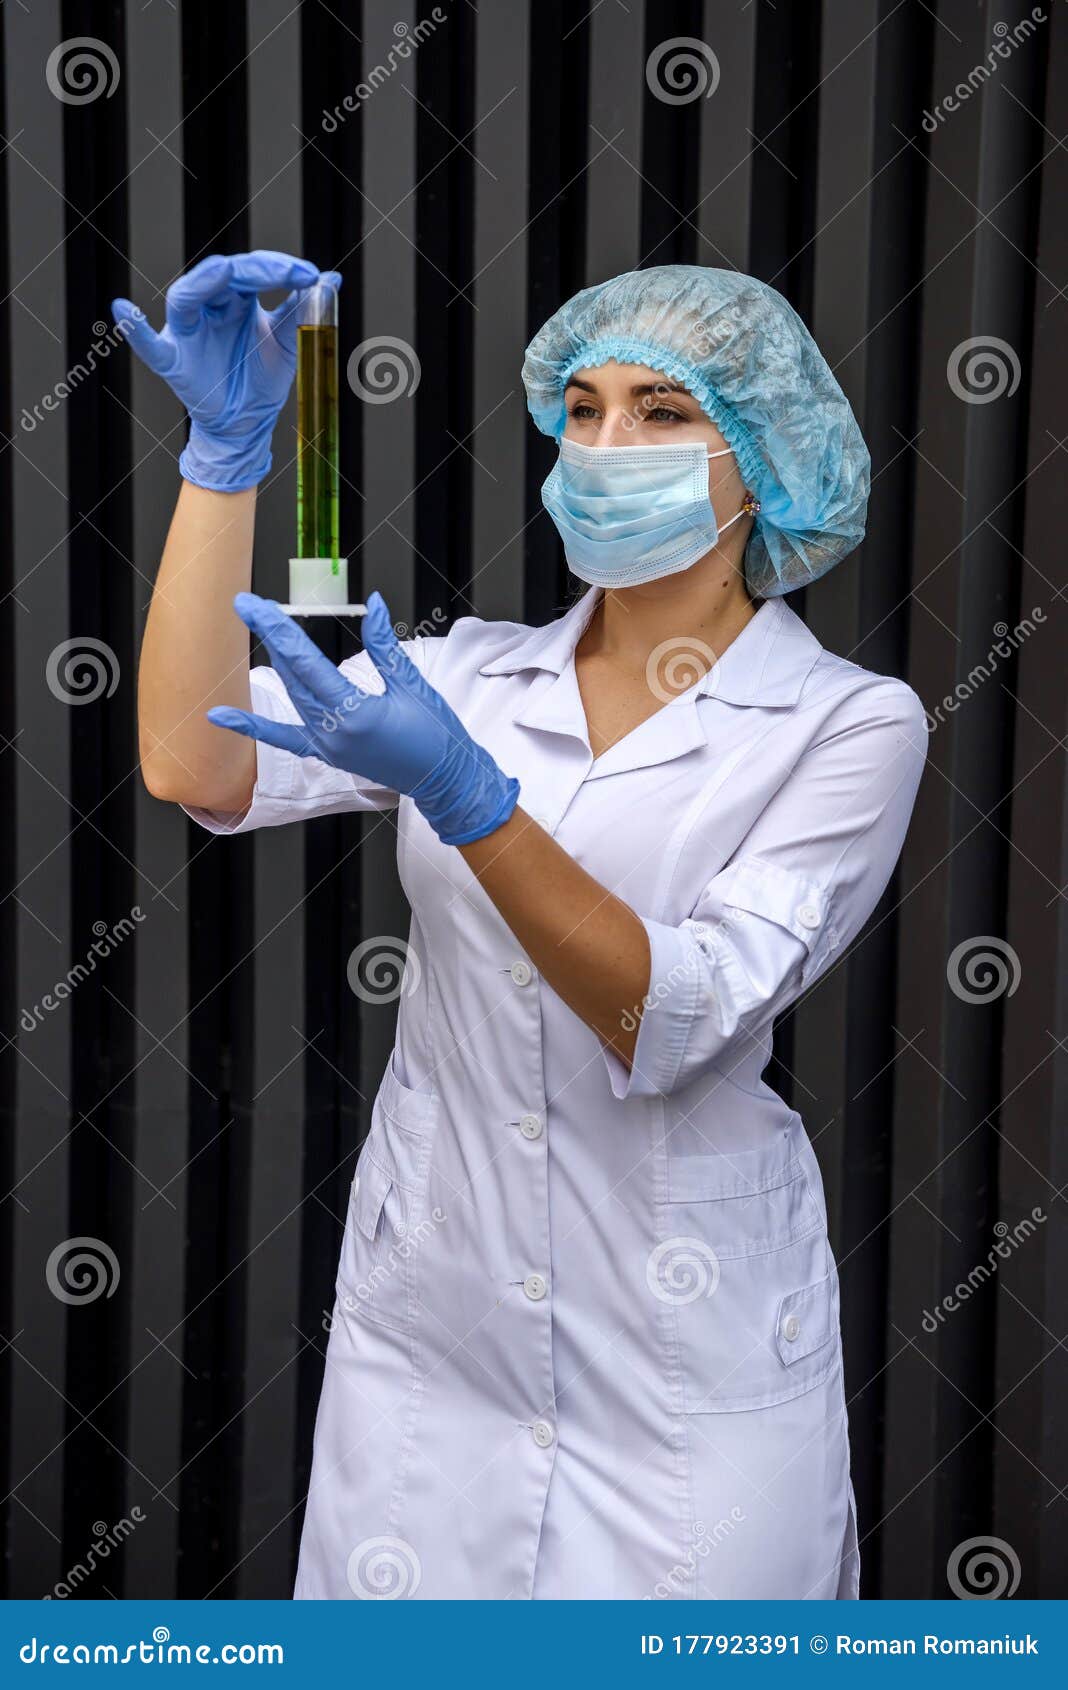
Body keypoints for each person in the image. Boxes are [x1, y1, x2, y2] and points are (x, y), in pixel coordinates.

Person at [115, 254, 927, 1600]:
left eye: (666, 413)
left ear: (767, 458)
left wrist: (468, 796)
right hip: (437, 1354)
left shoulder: (847, 723)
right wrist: (225, 459)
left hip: (689, 1372)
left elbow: (671, 1015)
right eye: (588, 407)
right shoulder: (469, 672)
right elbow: (192, 762)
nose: (611, 444)